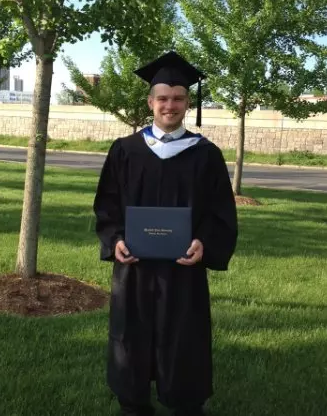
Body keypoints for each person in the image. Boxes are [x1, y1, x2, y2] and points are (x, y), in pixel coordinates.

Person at [93, 51, 238, 416]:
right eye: (162, 98)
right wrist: (116, 240)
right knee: (132, 340)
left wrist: (204, 241)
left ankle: (186, 404)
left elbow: (221, 211)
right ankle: (133, 404)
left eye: (177, 98)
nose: (169, 105)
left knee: (183, 341)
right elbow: (107, 205)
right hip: (135, 269)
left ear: (188, 103)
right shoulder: (125, 150)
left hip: (183, 272)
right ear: (150, 102)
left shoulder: (206, 155)